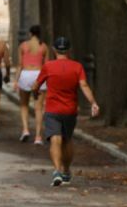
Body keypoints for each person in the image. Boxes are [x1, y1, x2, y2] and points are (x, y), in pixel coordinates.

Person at [33, 38, 101, 186]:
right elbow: (84, 85)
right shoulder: (77, 67)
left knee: (55, 139)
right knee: (67, 140)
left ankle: (57, 171)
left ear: (54, 50)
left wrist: (35, 92)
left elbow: (37, 84)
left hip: (52, 109)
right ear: (69, 50)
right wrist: (93, 103)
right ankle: (66, 171)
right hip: (70, 110)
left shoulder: (48, 66)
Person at [16, 25, 49, 142]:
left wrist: (16, 81)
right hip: (39, 75)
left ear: (30, 33)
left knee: (24, 104)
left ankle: (25, 129)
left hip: (26, 74)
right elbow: (47, 66)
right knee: (38, 108)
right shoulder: (44, 46)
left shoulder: (23, 46)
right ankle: (38, 136)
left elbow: (20, 65)